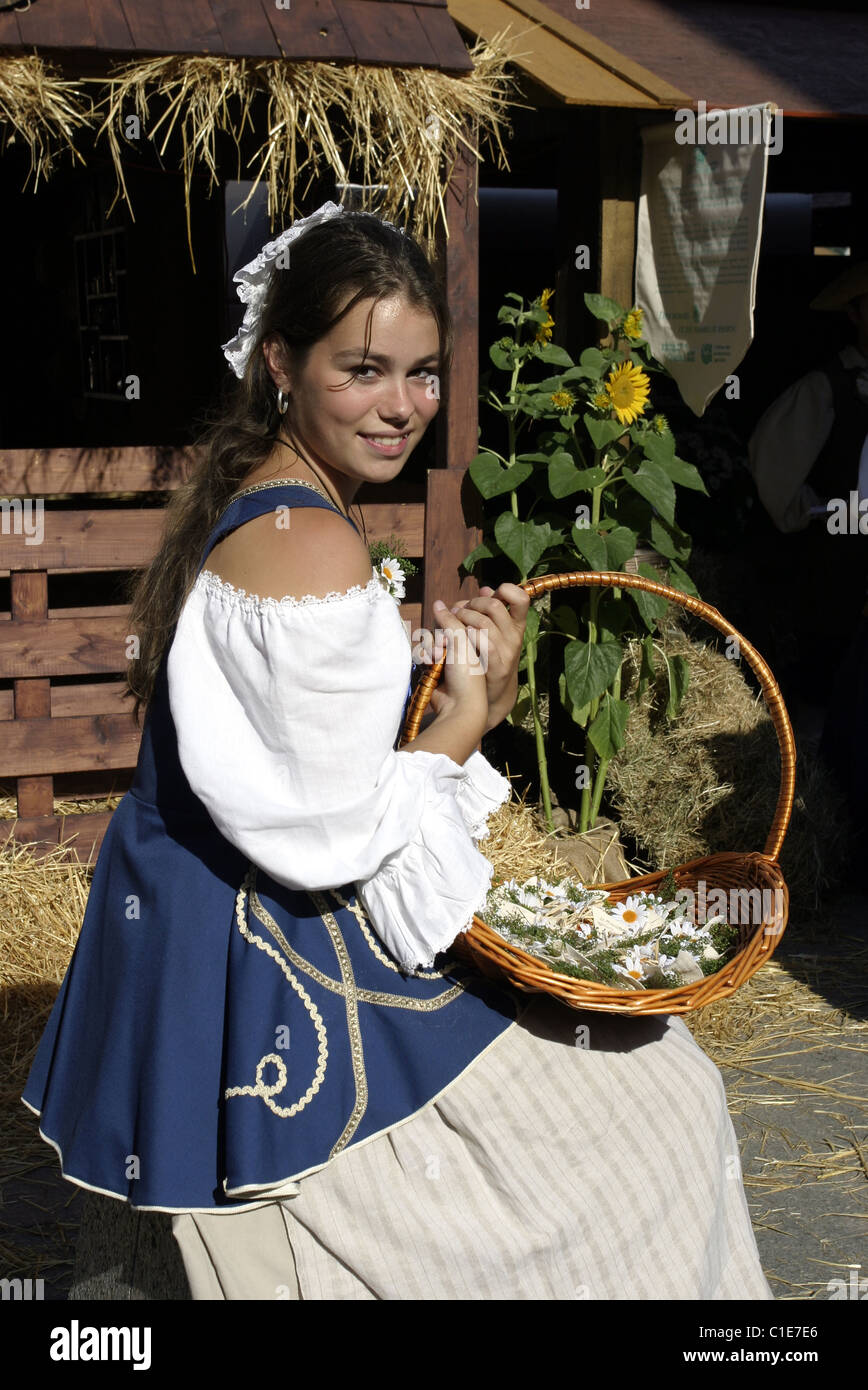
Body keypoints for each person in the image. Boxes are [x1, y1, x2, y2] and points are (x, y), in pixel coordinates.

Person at [22, 202, 773, 1301]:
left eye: (422, 373)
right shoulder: (310, 539)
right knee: (662, 1098)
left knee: (651, 1079)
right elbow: (340, 836)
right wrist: (477, 712)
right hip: (260, 944)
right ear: (280, 361)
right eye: (363, 368)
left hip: (229, 910)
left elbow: (308, 769)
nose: (402, 406)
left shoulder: (276, 503)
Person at [747, 262, 868, 730]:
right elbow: (772, 467)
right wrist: (817, 513)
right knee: (829, 691)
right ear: (855, 313)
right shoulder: (827, 388)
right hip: (839, 577)